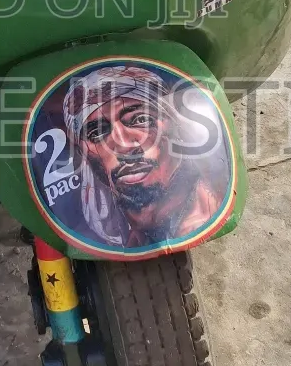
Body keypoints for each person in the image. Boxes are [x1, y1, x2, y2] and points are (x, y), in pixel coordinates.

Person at [58, 63, 231, 250]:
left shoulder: (208, 209)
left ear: (171, 123)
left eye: (140, 119)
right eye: (97, 133)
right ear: (85, 152)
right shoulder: (105, 228)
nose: (123, 145)